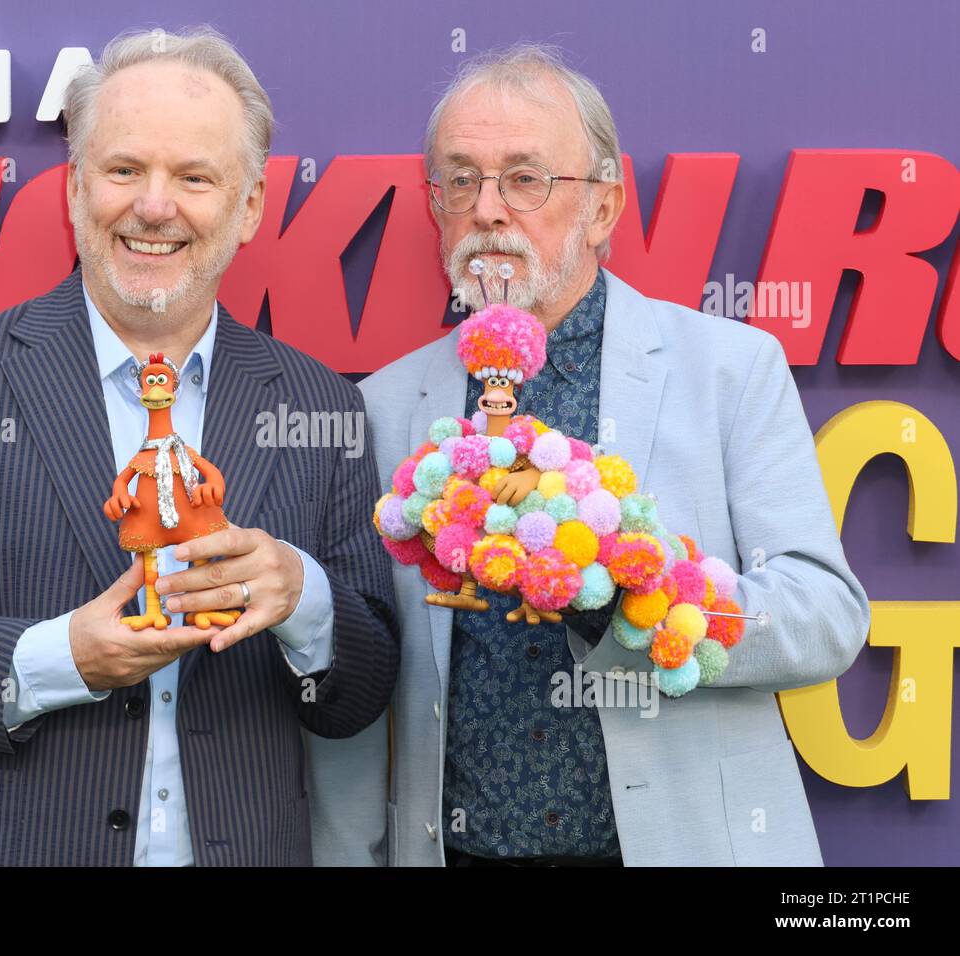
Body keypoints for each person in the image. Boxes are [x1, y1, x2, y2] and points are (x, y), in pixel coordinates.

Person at [0, 27, 399, 867]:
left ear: (251, 207)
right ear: (76, 190)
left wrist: (306, 600)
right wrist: (57, 660)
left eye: (194, 177)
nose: (153, 207)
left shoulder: (319, 404)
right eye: (124, 170)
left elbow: (359, 696)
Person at [307, 42, 870, 867]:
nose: (488, 209)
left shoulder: (729, 368)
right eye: (460, 180)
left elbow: (825, 618)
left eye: (526, 178)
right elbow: (366, 677)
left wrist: (639, 599)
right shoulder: (385, 406)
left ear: (603, 208)